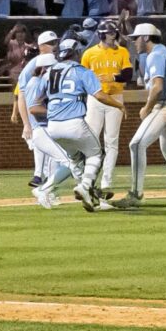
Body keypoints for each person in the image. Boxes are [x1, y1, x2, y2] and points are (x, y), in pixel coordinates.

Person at [117, 22, 166, 210]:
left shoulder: (156, 55)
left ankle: (136, 194)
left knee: (136, 144)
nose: (134, 42)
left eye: (136, 38)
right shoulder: (162, 52)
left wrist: (146, 108)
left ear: (146, 37)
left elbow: (158, 86)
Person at [25, 38, 108, 211]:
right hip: (45, 128)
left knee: (75, 160)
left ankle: (88, 191)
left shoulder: (43, 79)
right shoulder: (39, 81)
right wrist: (58, 112)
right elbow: (31, 107)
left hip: (50, 127)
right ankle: (47, 189)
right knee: (70, 162)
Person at [80, 21, 135, 198]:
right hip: (95, 99)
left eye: (114, 33)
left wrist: (112, 76)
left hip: (115, 96)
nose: (113, 36)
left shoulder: (122, 51)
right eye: (110, 33)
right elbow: (82, 77)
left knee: (111, 141)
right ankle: (87, 179)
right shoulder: (89, 53)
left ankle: (106, 181)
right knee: (92, 138)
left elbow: (128, 75)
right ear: (102, 34)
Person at [12, 30, 60, 187]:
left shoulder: (55, 62)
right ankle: (42, 179)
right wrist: (26, 123)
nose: (55, 46)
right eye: (52, 43)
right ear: (42, 46)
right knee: (48, 148)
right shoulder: (32, 67)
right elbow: (21, 96)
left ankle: (41, 178)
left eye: (56, 42)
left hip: (49, 114)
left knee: (49, 150)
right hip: (39, 116)